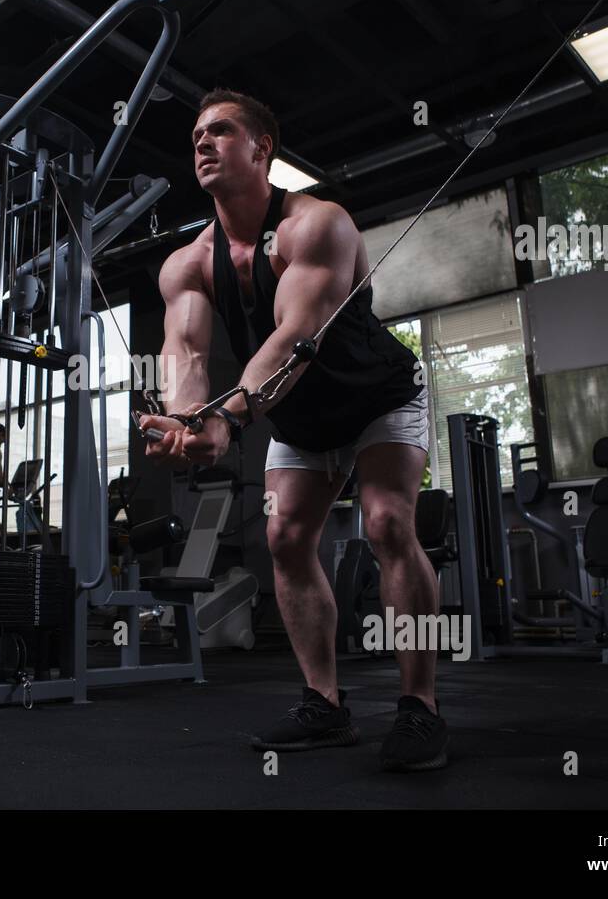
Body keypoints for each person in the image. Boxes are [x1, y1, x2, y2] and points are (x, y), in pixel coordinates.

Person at [137, 89, 448, 771]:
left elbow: (296, 334)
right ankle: (325, 706)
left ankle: (419, 707)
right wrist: (187, 423)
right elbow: (185, 353)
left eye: (221, 131)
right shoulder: (187, 263)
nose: (203, 142)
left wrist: (225, 416)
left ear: (261, 148)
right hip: (300, 418)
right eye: (197, 135)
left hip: (378, 398)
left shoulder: (317, 225)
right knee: (284, 537)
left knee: (389, 524)